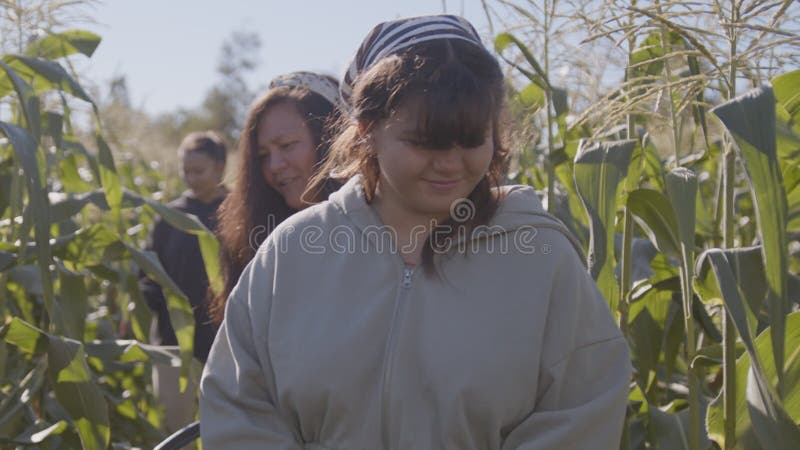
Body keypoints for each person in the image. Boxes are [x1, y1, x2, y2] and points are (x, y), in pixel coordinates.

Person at [200, 14, 631, 450]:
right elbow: (240, 406)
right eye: (426, 141)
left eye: (471, 139)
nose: (450, 163)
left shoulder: (541, 256)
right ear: (367, 131)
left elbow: (583, 409)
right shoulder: (290, 255)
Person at [208, 71, 343, 324]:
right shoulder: (255, 245)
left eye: (287, 145)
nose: (274, 165)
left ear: (332, 139)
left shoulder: (384, 237)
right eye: (263, 155)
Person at [139, 131, 227, 433]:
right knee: (173, 431)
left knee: (223, 433)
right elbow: (148, 272)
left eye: (198, 171)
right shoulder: (169, 217)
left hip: (224, 345)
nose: (190, 178)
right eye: (185, 171)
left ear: (220, 167)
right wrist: (162, 304)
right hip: (172, 343)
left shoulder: (237, 211)